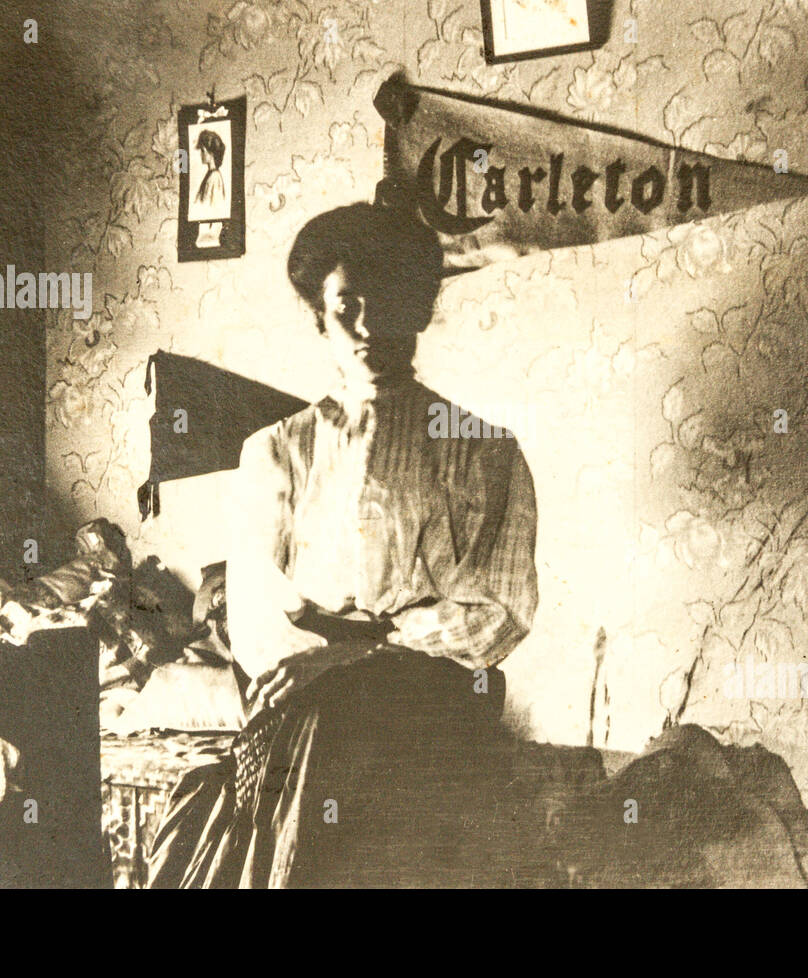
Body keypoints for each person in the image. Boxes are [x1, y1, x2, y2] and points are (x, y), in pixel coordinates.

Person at [148, 202, 540, 888]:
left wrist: (367, 652)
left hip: (434, 692)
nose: (364, 325)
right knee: (328, 731)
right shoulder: (276, 450)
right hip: (308, 692)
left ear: (418, 308)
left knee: (362, 734)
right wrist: (328, 661)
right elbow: (260, 624)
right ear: (320, 316)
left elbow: (496, 615)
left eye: (385, 301)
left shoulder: (484, 450)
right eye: (345, 305)